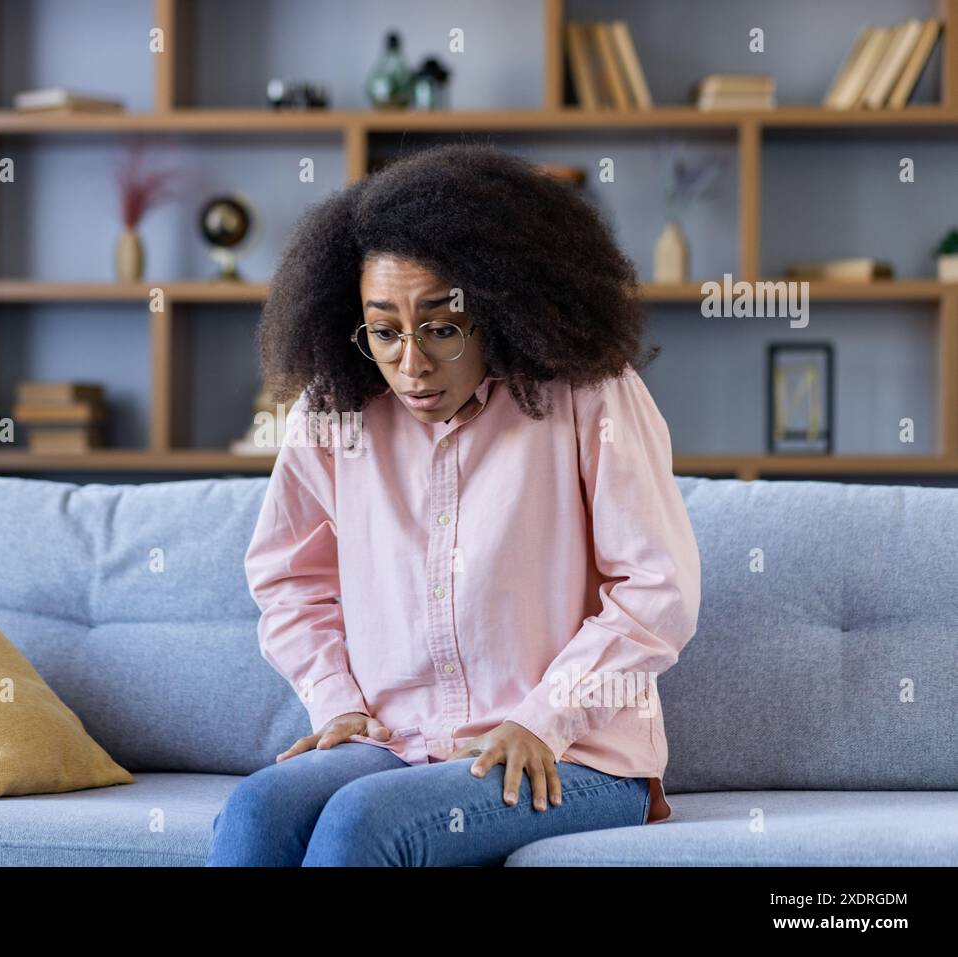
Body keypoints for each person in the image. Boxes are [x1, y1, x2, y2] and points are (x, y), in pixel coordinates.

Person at [207, 143, 701, 867]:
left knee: (360, 825)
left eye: (442, 326)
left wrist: (545, 718)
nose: (411, 362)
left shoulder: (588, 394)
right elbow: (289, 575)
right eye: (384, 330)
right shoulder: (337, 409)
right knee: (257, 810)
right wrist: (336, 701)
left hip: (571, 754)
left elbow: (659, 590)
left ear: (499, 308)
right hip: (395, 743)